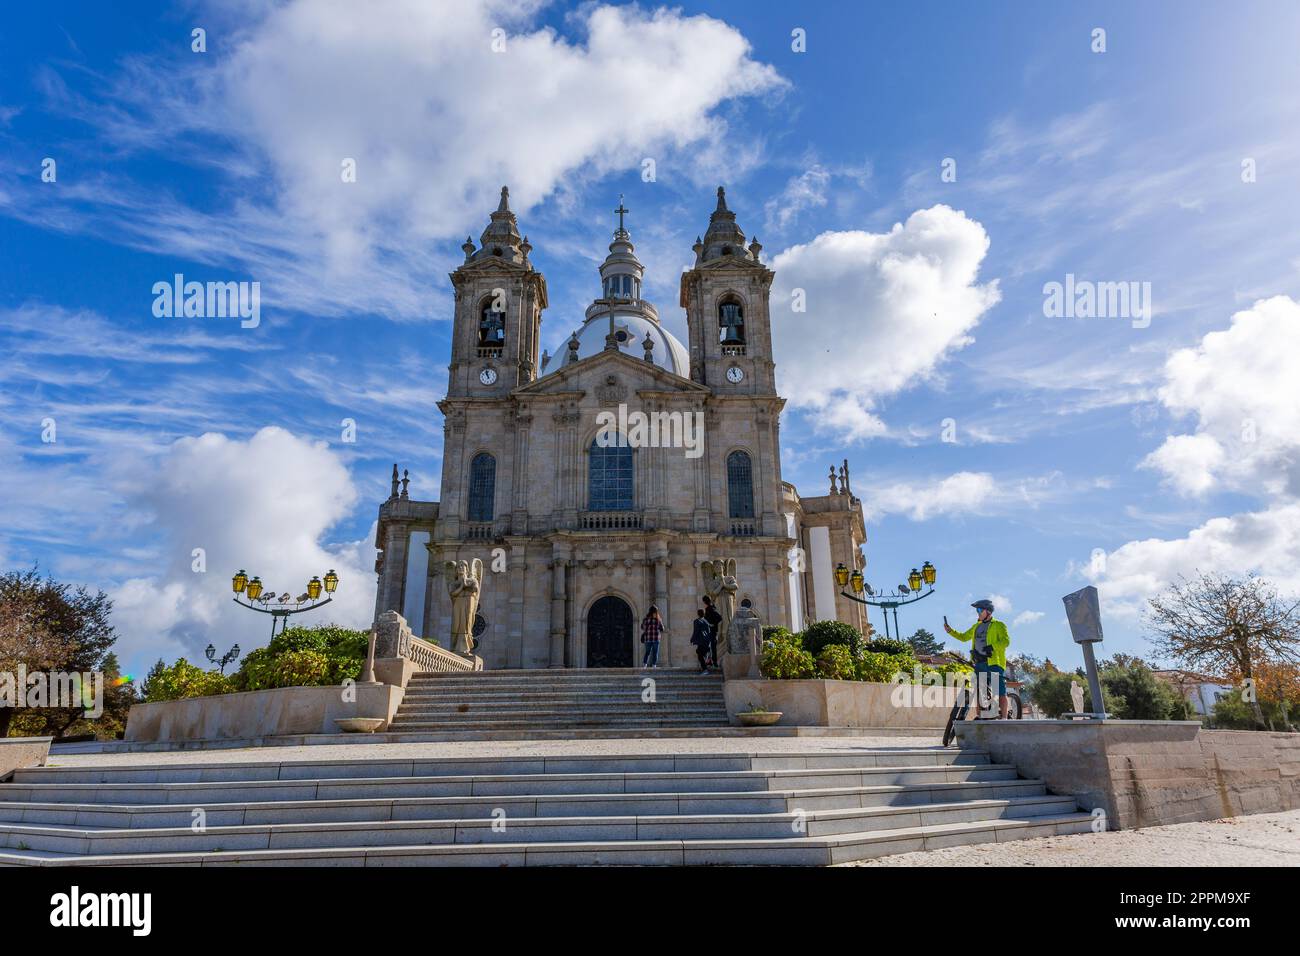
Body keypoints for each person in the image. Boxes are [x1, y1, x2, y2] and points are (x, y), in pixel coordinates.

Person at [945, 599, 1010, 719]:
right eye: (977, 610)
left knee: (999, 691)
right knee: (980, 692)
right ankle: (980, 717)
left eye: (980, 610)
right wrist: (950, 631)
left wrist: (993, 647)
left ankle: (1005, 718)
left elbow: (1006, 641)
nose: (978, 612)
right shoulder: (976, 626)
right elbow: (964, 637)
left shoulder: (999, 625)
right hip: (979, 663)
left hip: (994, 663)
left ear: (988, 611)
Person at [702, 595, 722, 669]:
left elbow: (719, 618)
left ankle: (712, 662)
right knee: (712, 647)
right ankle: (712, 662)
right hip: (712, 631)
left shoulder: (709, 609)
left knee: (710, 647)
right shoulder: (712, 608)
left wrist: (711, 624)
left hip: (710, 631)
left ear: (704, 601)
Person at [690, 608, 712, 674]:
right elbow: (709, 632)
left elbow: (696, 631)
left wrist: (692, 639)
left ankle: (705, 669)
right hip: (707, 641)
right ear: (704, 614)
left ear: (698, 614)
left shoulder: (697, 621)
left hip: (702, 641)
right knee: (700, 652)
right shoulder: (706, 621)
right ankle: (708, 661)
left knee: (699, 654)